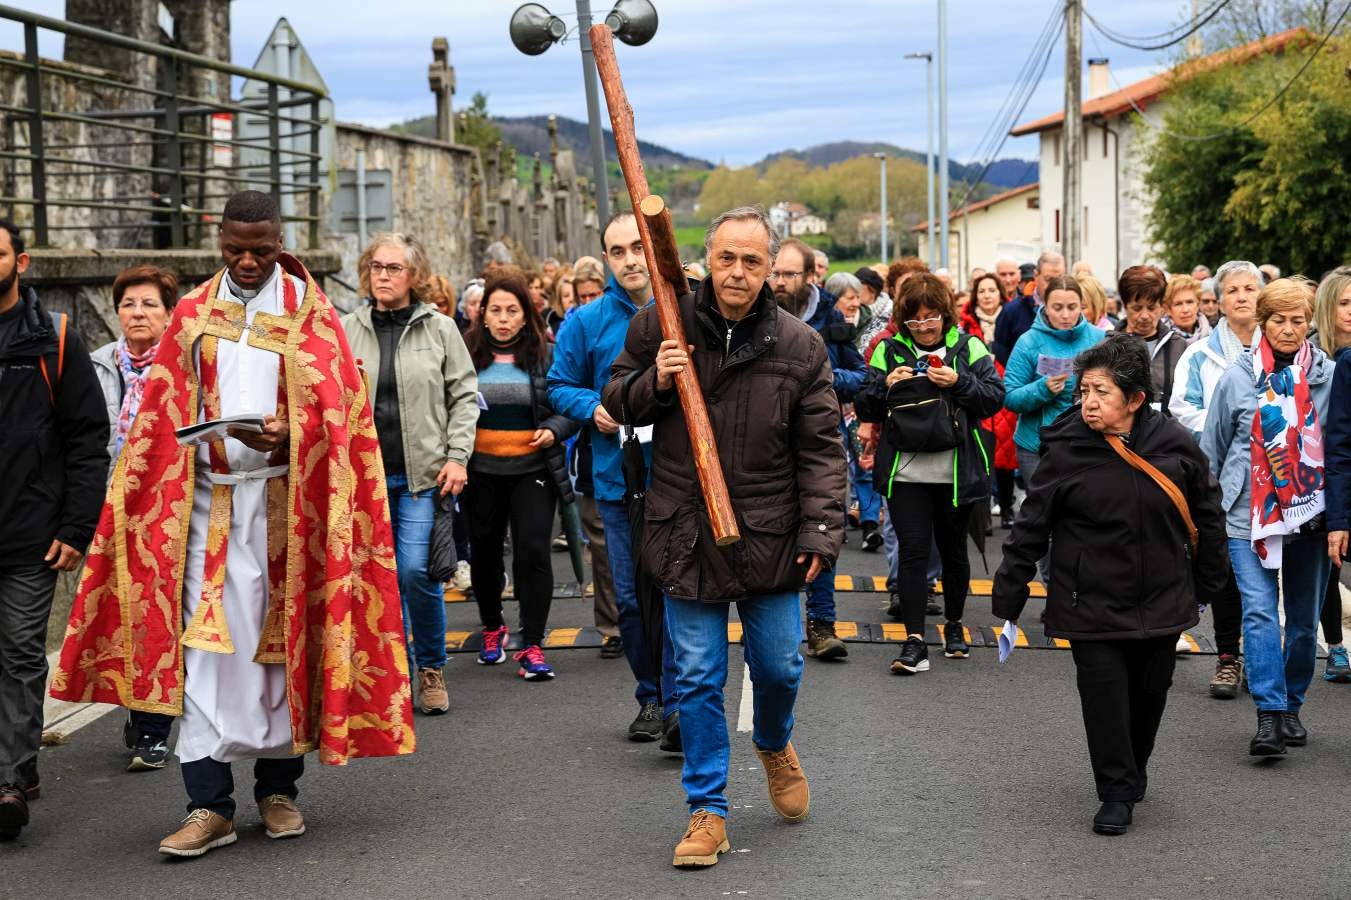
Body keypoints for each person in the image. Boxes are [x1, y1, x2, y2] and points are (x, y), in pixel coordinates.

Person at [52, 192, 415, 857]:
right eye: (235, 251)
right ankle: (207, 804)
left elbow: (345, 416)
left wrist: (294, 431)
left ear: (282, 240)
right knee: (204, 659)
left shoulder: (313, 318)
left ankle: (278, 790)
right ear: (218, 242)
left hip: (285, 506)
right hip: (205, 511)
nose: (248, 262)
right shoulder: (190, 315)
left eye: (261, 250)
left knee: (279, 656)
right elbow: (156, 422)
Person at [602, 205, 845, 869]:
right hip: (685, 529)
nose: (737, 272)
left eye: (752, 261)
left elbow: (823, 450)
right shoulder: (660, 323)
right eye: (726, 258)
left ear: (772, 270)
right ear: (707, 259)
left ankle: (772, 741)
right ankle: (706, 810)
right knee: (700, 674)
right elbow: (616, 399)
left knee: (778, 665)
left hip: (770, 533)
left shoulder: (800, 345)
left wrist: (821, 533)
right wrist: (656, 378)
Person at [994, 333, 1228, 836]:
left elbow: (1208, 513)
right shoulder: (1066, 446)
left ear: (1136, 399)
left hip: (1162, 597)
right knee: (1104, 699)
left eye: (1101, 392)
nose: (1089, 403)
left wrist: (1208, 581)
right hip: (1089, 600)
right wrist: (1009, 595)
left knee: (1148, 698)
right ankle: (1116, 791)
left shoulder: (1174, 443)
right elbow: (1031, 525)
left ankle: (1132, 768)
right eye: (1084, 391)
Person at [548, 211, 679, 742]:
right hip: (616, 479)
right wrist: (591, 407)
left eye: (636, 248)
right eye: (617, 251)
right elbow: (558, 385)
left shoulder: (682, 311)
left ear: (652, 250)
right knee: (629, 597)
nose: (629, 259)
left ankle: (676, 703)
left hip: (676, 478)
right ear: (606, 258)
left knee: (673, 592)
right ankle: (649, 696)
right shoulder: (585, 322)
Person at [340, 232, 480, 716]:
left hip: (423, 476)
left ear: (413, 276)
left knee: (416, 571)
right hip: (365, 480)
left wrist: (458, 456)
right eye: (376, 266)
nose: (382, 275)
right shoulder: (347, 329)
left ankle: (430, 667)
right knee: (372, 579)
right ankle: (385, 674)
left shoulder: (440, 329)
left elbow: (464, 397)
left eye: (393, 268)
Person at [0, 220, 108, 840]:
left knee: (18, 654)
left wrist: (76, 525)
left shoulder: (56, 340)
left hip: (32, 534)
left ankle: (9, 779)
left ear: (24, 262)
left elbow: (88, 440)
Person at [1202, 277, 1333, 756]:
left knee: (1301, 621)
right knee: (1258, 613)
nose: (1288, 329)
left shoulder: (1329, 377)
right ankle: (1269, 714)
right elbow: (1211, 451)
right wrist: (1204, 518)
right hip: (1245, 515)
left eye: (1297, 320)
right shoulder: (1238, 378)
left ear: (1309, 324)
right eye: (1278, 320)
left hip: (1310, 517)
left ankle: (1293, 706)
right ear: (1263, 322)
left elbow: (1340, 447)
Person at [856, 272, 1005, 674]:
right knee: (914, 552)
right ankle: (914, 641)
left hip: (956, 470)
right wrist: (885, 384)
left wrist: (958, 382)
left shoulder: (968, 346)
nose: (923, 328)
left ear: (945, 314)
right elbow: (865, 405)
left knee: (954, 552)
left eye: (931, 319)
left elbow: (994, 398)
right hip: (906, 473)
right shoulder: (887, 350)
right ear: (903, 319)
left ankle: (954, 625)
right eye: (914, 321)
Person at [463, 268, 578, 681]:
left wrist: (555, 429)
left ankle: (531, 643)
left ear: (526, 314)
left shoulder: (546, 354)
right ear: (484, 314)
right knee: (487, 552)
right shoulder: (465, 353)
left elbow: (568, 404)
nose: (504, 318)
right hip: (481, 470)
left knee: (532, 552)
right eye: (496, 310)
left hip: (533, 468)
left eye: (512, 310)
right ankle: (493, 626)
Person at [91, 264, 181, 771]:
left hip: (165, 509)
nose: (138, 313)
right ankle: (139, 706)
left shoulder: (184, 366)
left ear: (169, 314)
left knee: (158, 617)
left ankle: (152, 729)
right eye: (129, 304)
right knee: (122, 616)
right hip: (110, 508)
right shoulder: (96, 365)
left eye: (149, 304)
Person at [1168, 260, 1259, 695]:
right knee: (1225, 568)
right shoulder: (1199, 354)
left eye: (1250, 288)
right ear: (1218, 301)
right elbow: (1181, 408)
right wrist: (1232, 425)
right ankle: (1227, 657)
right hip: (1217, 477)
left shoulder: (1277, 349)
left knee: (1265, 572)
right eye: (1233, 290)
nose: (1242, 296)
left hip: (1272, 478)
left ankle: (1264, 659)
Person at [772, 239, 865, 661]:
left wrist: (818, 377)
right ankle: (773, 625)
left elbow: (861, 377)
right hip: (767, 445)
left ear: (811, 276)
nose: (779, 281)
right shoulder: (756, 314)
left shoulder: (833, 318)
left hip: (821, 440)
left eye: (789, 274)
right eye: (775, 272)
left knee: (821, 529)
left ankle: (822, 625)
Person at [1003, 275, 1105, 541]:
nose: (1065, 314)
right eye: (1057, 307)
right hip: (1036, 445)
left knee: (1083, 518)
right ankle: (1052, 582)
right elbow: (1009, 396)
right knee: (1045, 521)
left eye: (1072, 307)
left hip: (1088, 442)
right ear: (1044, 306)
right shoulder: (1028, 341)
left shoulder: (1099, 338)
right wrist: (1042, 390)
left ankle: (1078, 581)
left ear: (1082, 305)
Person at [827, 272, 883, 551]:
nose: (855, 303)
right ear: (834, 299)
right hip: (830, 406)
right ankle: (834, 523)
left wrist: (833, 378)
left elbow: (862, 374)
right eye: (849, 297)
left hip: (860, 404)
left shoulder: (871, 324)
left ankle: (870, 524)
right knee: (833, 468)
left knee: (864, 464)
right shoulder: (825, 327)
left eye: (857, 297)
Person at [1314, 267, 1351, 683]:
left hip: (1340, 463)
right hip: (1319, 470)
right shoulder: (1313, 354)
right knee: (1327, 568)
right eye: (1343, 302)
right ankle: (1335, 646)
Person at [961, 272, 1018, 528]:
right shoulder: (966, 324)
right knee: (980, 455)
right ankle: (981, 514)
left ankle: (1007, 508)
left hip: (1006, 388)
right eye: (982, 291)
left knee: (1006, 455)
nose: (987, 296)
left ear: (1000, 294)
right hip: (978, 391)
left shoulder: (1010, 320)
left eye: (991, 290)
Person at [1115, 266, 1185, 415]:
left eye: (1152, 308)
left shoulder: (1178, 346)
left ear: (1162, 307)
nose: (1145, 316)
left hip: (1167, 432)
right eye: (1137, 308)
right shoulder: (1109, 346)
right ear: (1125, 307)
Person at [993, 250, 1065, 365]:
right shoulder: (1011, 311)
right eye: (1048, 279)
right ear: (1036, 275)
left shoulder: (1073, 312)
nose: (1054, 285)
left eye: (1059, 279)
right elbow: (1001, 355)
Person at [1162, 274, 1211, 344]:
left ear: (1197, 305)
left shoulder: (1212, 336)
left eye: (1190, 302)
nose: (1185, 310)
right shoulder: (1161, 339)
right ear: (1168, 309)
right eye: (1178, 304)